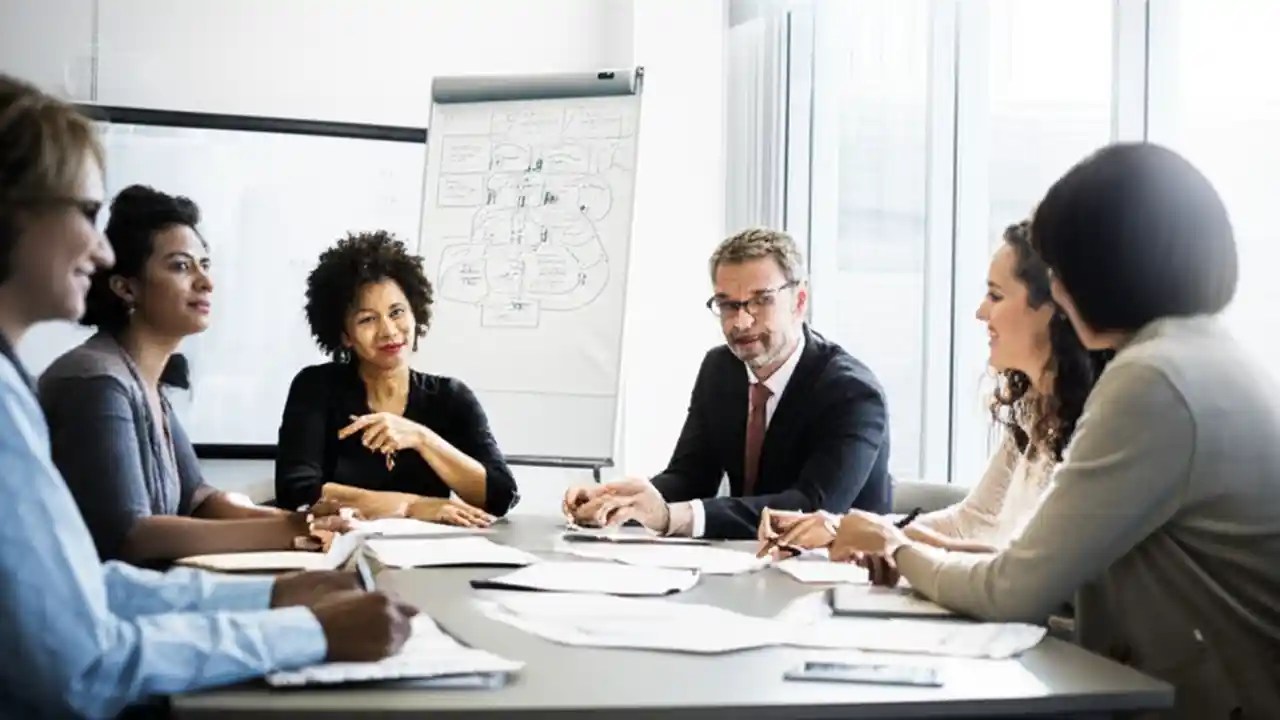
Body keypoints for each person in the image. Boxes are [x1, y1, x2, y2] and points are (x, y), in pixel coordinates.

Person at [0, 74, 416, 719]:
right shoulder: (80, 382)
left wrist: (276, 589)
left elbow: (104, 575)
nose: (102, 248)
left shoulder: (128, 385)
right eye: (84, 212)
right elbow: (86, 656)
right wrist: (304, 620)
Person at [824, 143, 1280, 717]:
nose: (1059, 290)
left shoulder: (1152, 379)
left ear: (1100, 271)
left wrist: (897, 548)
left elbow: (1014, 592)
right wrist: (925, 546)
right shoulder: (1202, 355)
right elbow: (1054, 576)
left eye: (1061, 269)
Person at [757, 221, 1111, 584]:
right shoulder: (1033, 411)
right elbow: (973, 522)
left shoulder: (1100, 427)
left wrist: (885, 540)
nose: (980, 312)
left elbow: (1027, 569)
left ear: (1054, 307)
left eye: (996, 296)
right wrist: (845, 528)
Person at [40, 185, 327, 564]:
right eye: (180, 266)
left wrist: (302, 520)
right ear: (126, 287)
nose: (204, 281)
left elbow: (199, 499)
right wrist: (290, 530)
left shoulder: (146, 382)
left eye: (204, 265)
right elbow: (132, 536)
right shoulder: (96, 382)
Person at [563, 228, 891, 540]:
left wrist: (671, 518)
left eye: (761, 301)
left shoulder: (853, 393)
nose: (741, 321)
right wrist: (616, 499)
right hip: (745, 561)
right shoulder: (720, 369)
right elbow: (691, 476)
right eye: (728, 304)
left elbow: (810, 507)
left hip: (839, 575)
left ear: (799, 301)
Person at [276, 230, 519, 526]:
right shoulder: (316, 388)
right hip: (337, 550)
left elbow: (500, 496)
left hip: (428, 558)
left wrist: (421, 438)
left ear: (416, 314)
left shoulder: (450, 397)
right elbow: (296, 491)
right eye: (367, 319)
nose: (389, 331)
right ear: (345, 335)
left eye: (397, 312)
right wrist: (410, 505)